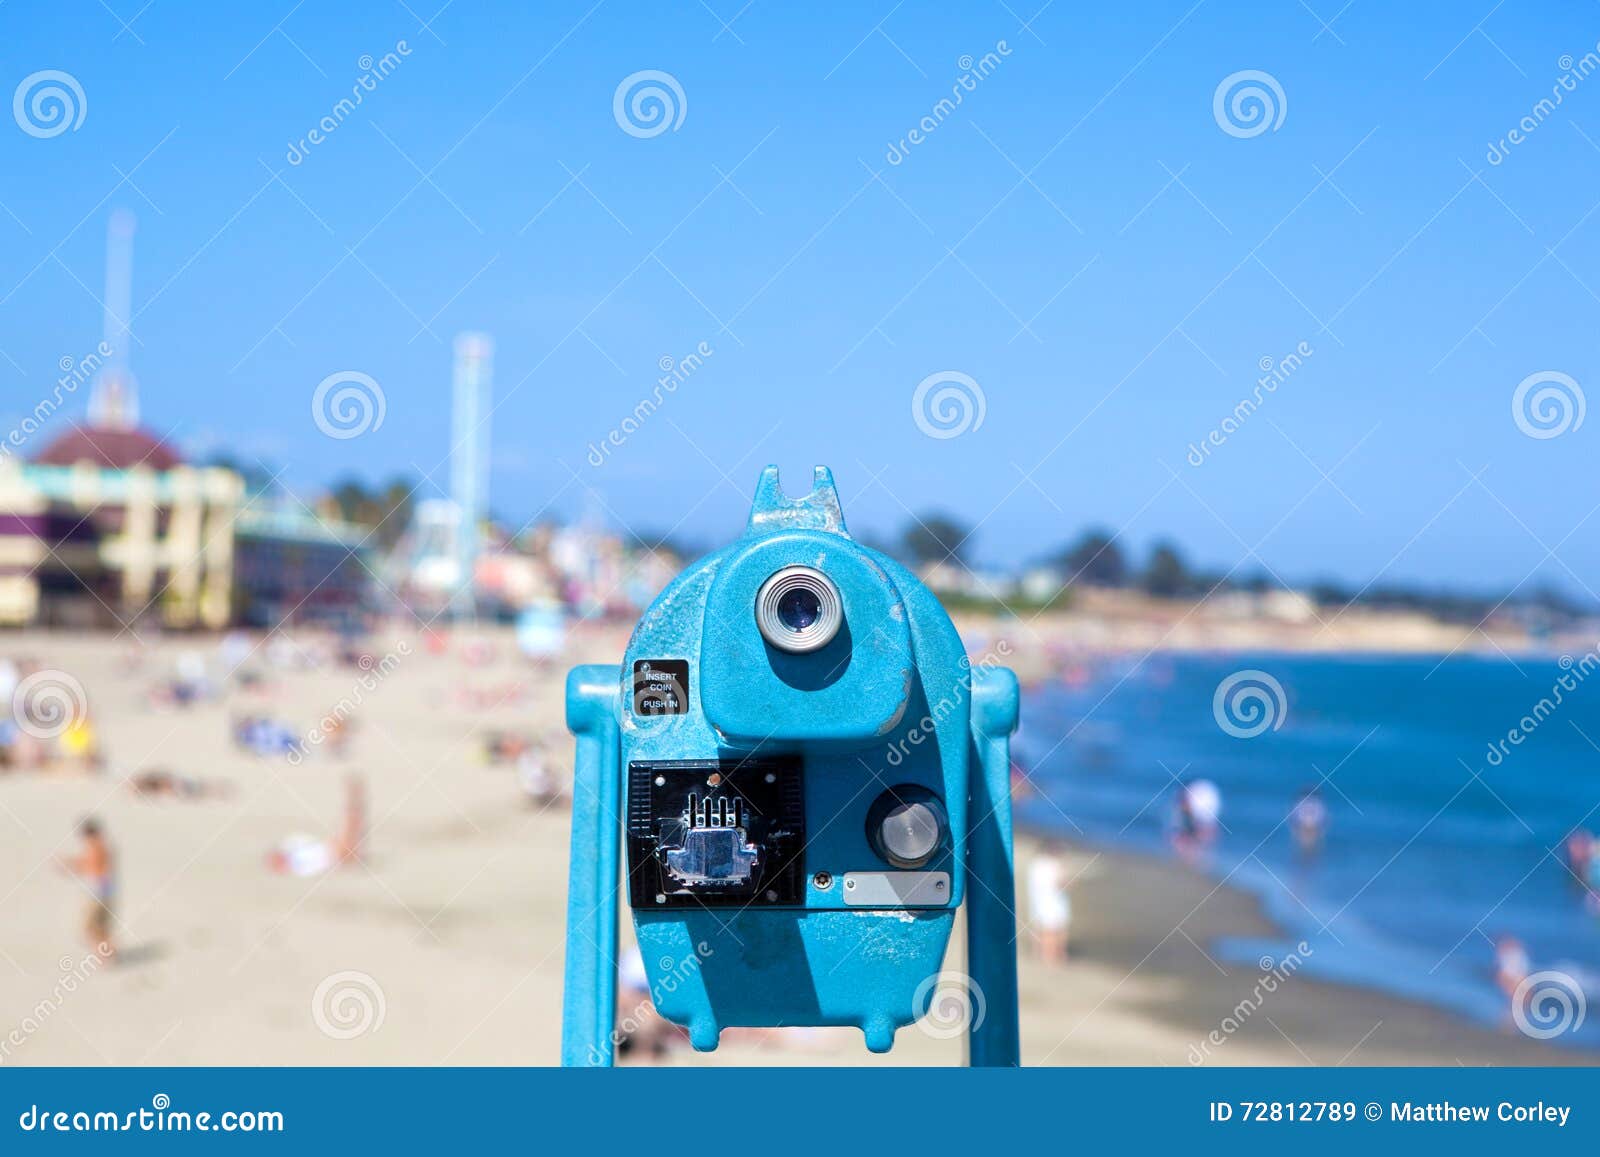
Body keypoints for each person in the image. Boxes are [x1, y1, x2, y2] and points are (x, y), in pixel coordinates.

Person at [57, 818, 116, 961]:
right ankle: (107, 954)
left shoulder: (96, 846)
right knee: (99, 926)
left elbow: (91, 865)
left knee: (90, 926)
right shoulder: (100, 846)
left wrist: (69, 865)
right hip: (103, 891)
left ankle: (107, 955)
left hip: (98, 893)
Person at [1027, 845, 1072, 963]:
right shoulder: (1053, 865)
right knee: (1053, 930)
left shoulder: (1036, 864)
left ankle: (1039, 953)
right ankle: (1052, 956)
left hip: (1039, 900)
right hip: (1053, 902)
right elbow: (1061, 883)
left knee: (1041, 927)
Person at [1291, 786, 1328, 858]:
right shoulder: (1317, 805)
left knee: (1305, 845)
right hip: (1310, 827)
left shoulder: (1301, 804)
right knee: (1311, 845)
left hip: (1306, 826)